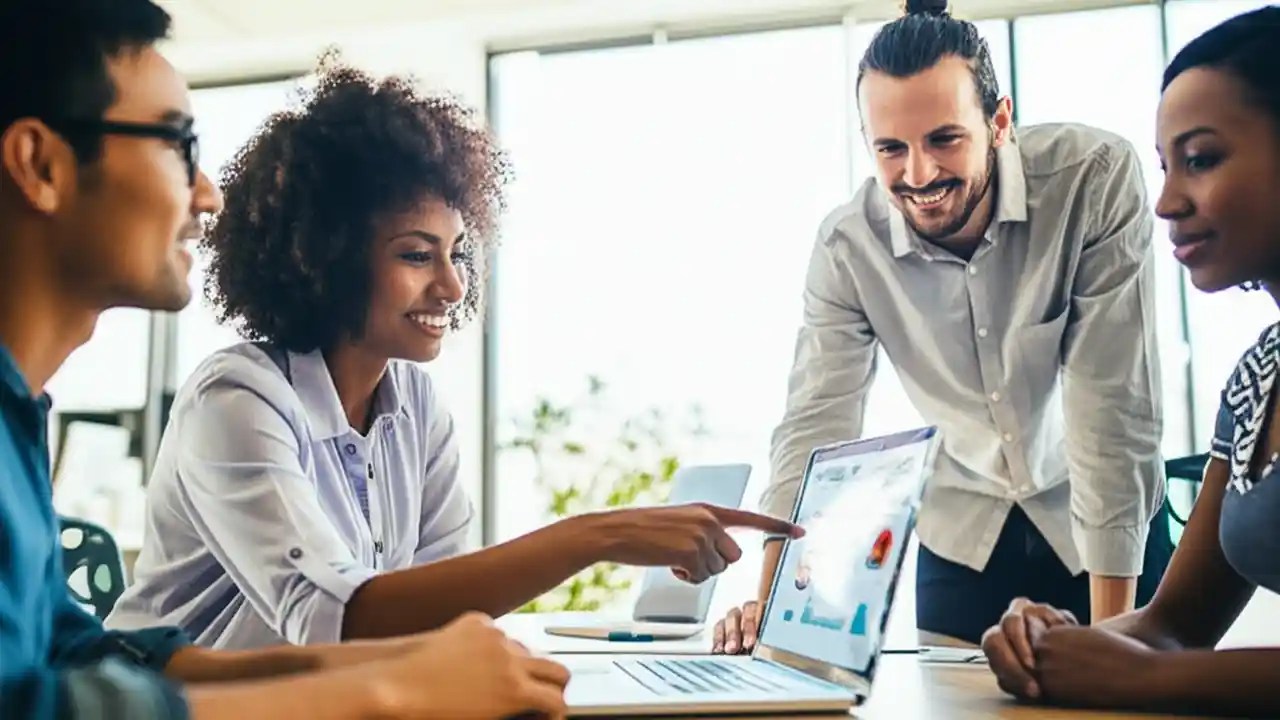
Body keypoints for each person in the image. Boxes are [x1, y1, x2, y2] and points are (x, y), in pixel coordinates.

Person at [105, 59, 802, 649]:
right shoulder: (236, 399)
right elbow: (334, 620)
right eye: (416, 255)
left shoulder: (413, 404)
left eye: (457, 253)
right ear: (326, 259)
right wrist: (596, 537)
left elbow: (445, 610)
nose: (453, 285)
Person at [0, 1, 572, 718]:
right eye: (177, 144)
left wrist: (423, 672)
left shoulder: (18, 419)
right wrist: (393, 687)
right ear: (40, 164)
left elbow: (84, 654)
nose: (208, 194)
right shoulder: (236, 392)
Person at [713, 0, 1172, 653]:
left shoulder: (1091, 179)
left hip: (1108, 533)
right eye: (891, 149)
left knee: (1127, 691)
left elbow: (1113, 408)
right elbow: (815, 427)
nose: (919, 174)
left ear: (999, 122)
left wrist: (1111, 648)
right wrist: (769, 603)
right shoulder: (848, 247)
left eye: (944, 139)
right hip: (963, 538)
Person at [982, 8, 1280, 717]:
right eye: (1165, 167)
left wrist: (1147, 680)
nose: (1166, 202)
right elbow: (1173, 626)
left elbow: (1161, 664)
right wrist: (1048, 645)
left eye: (1200, 160)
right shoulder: (1256, 381)